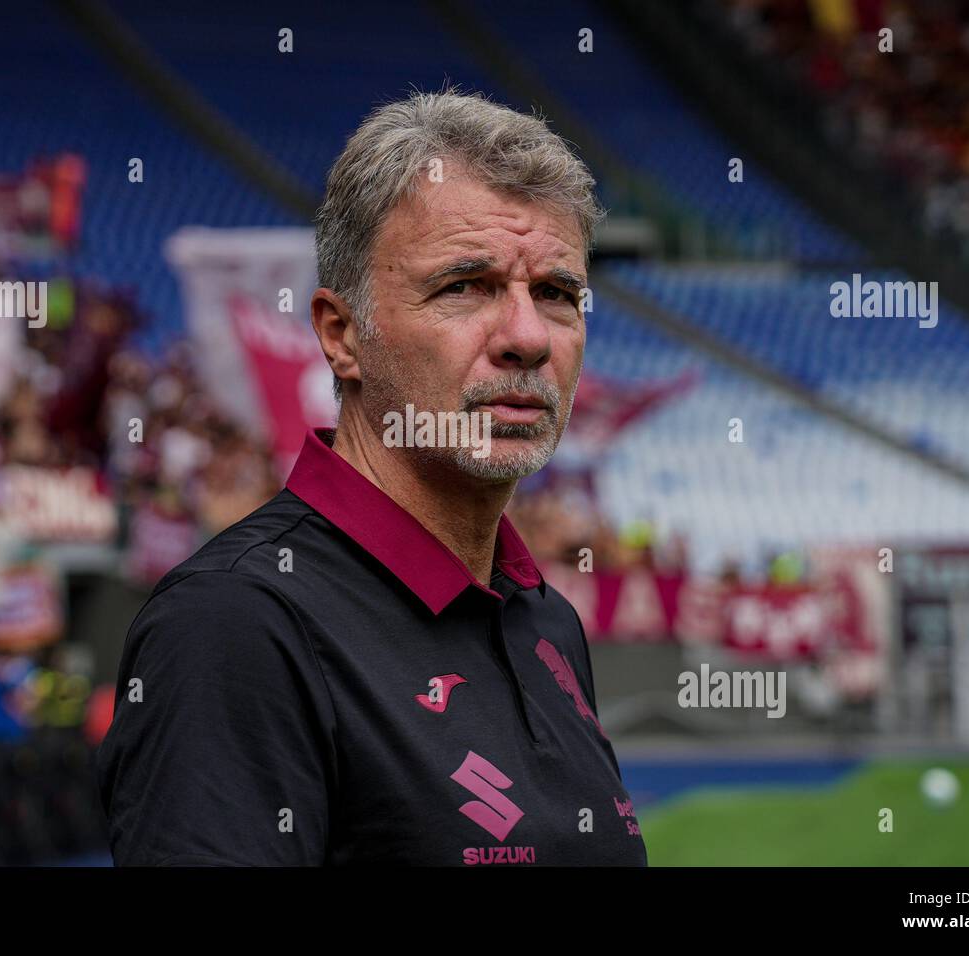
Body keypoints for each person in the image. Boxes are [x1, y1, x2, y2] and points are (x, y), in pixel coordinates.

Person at [97, 89, 647, 866]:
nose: (527, 336)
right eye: (466, 285)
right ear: (341, 334)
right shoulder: (236, 624)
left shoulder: (545, 617)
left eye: (556, 294)